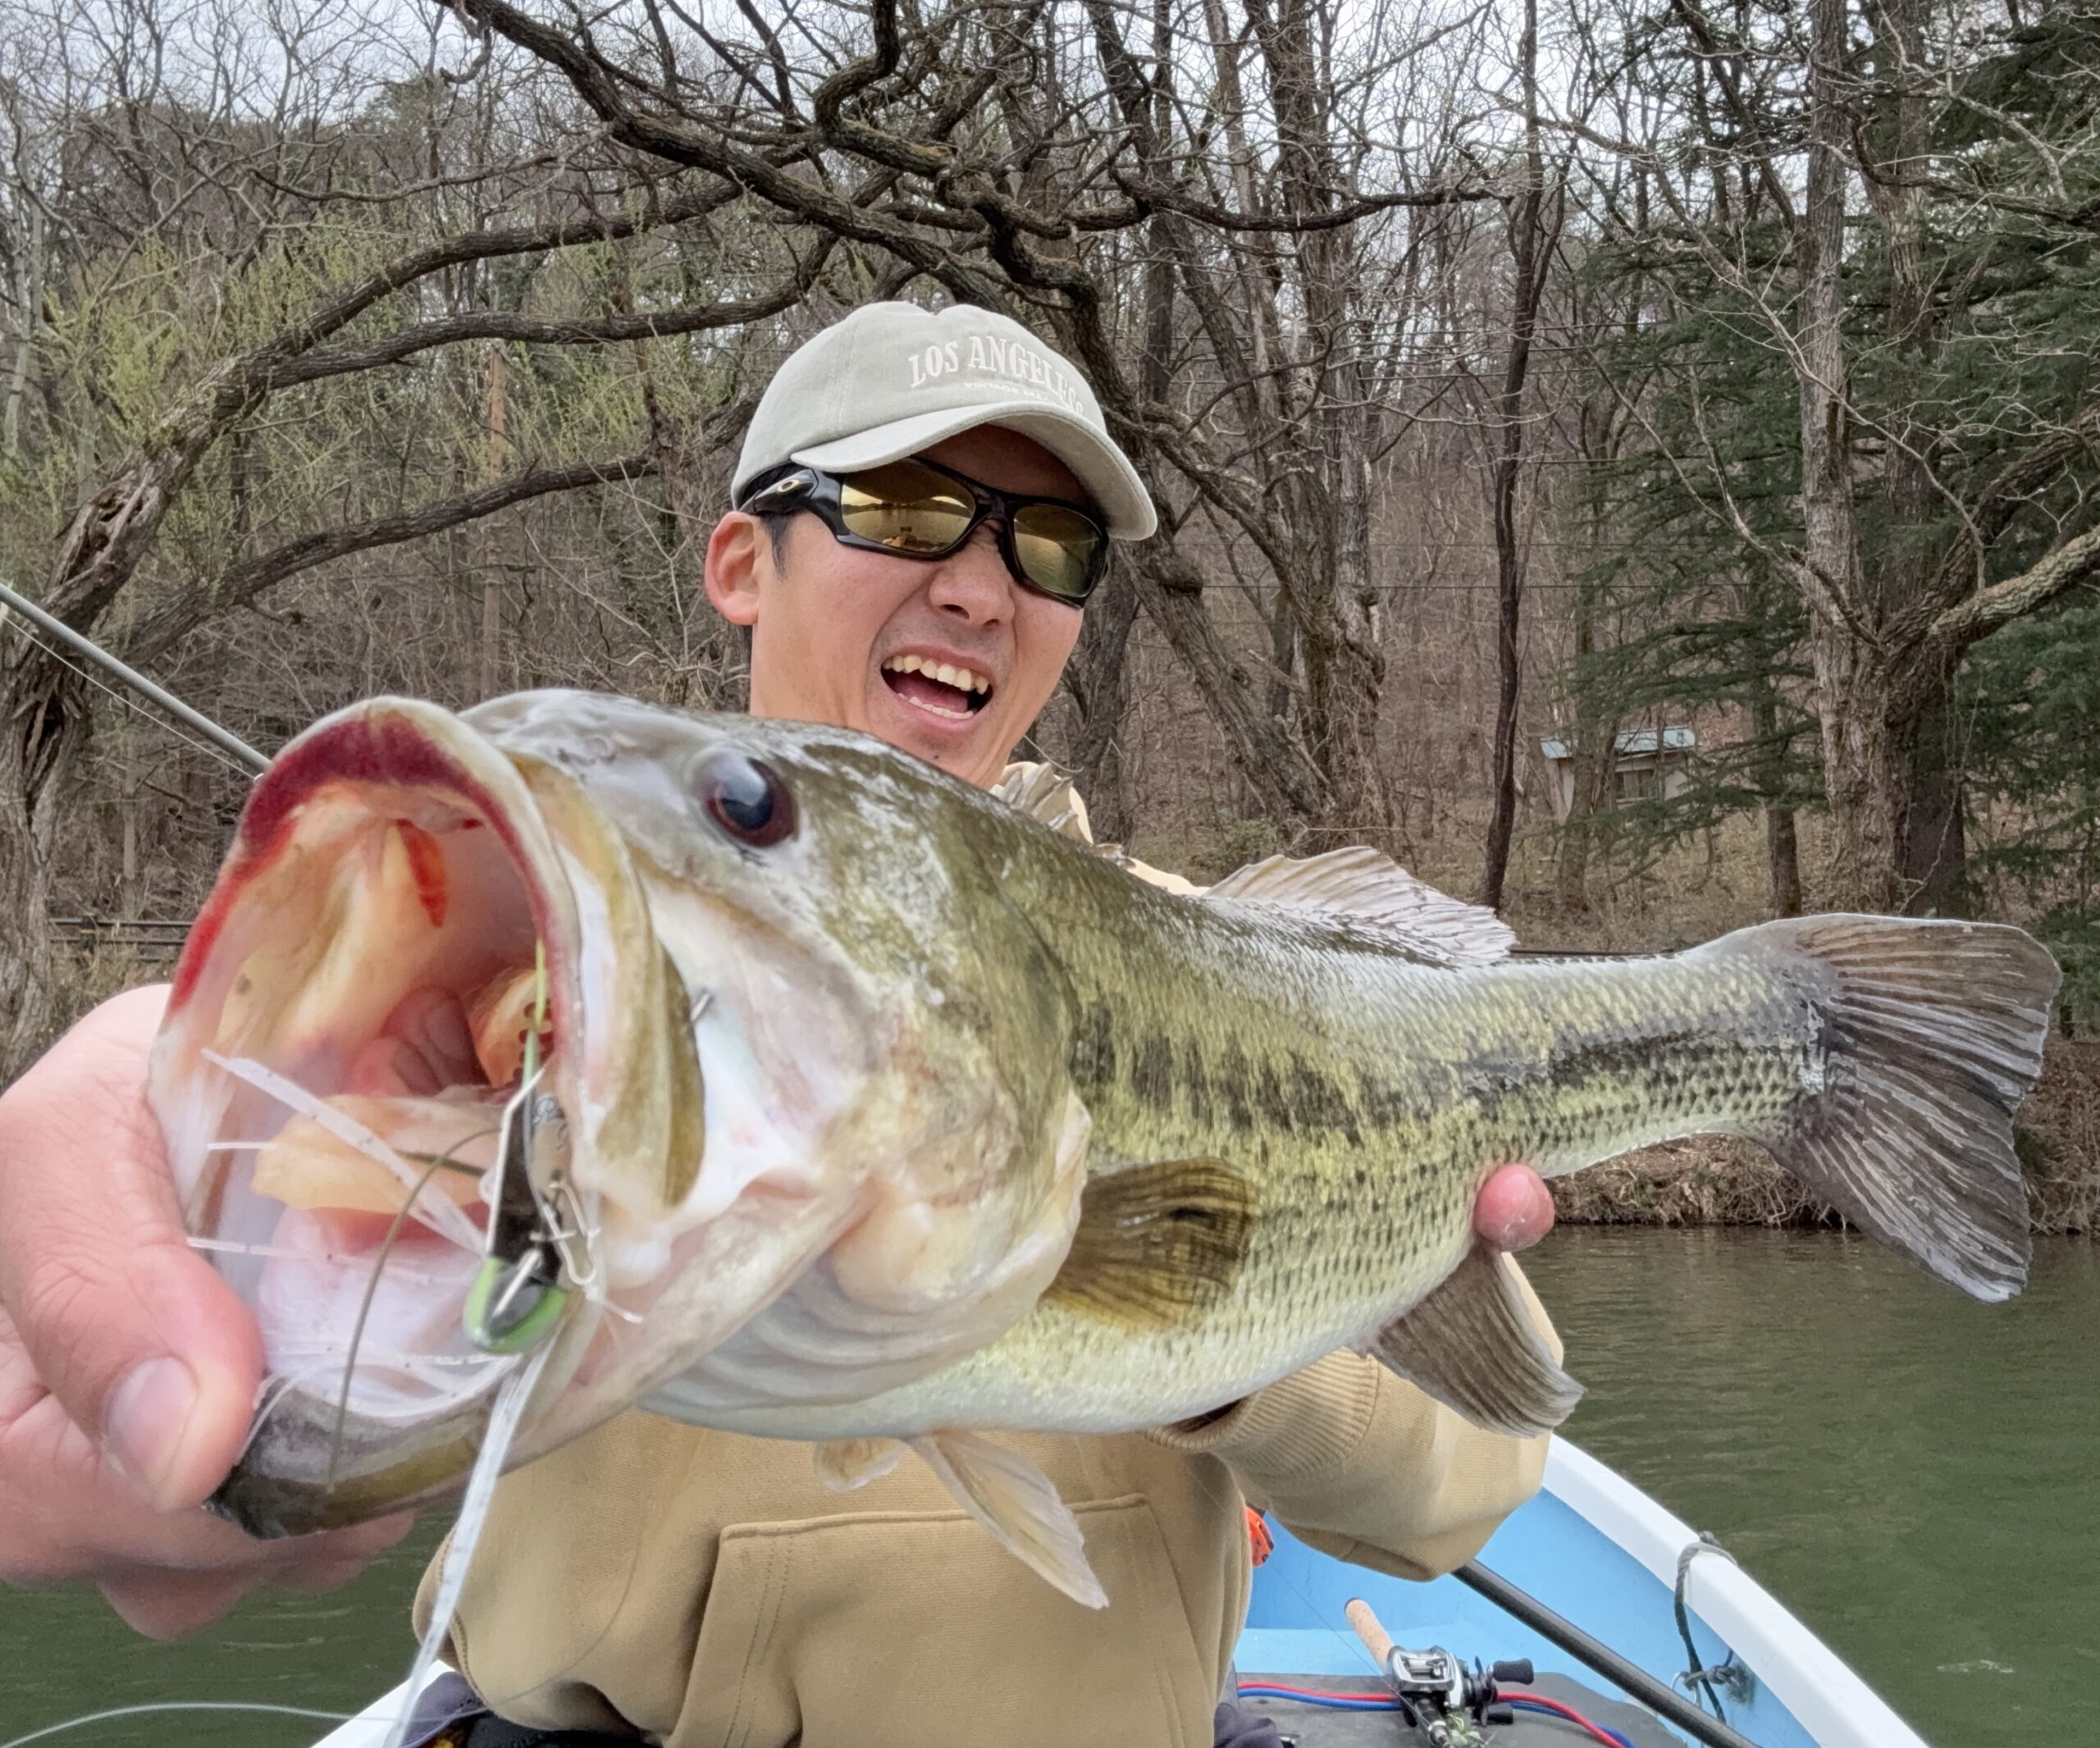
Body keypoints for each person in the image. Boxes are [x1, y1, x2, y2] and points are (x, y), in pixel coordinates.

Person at [0, 300, 1554, 1733]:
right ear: (743, 561)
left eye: (1052, 545)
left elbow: (1470, 1486)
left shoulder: (1225, 967)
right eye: (901, 509)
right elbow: (290, 1159)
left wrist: (1214, 1327)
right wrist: (201, 1178)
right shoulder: (544, 933)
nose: (978, 582)